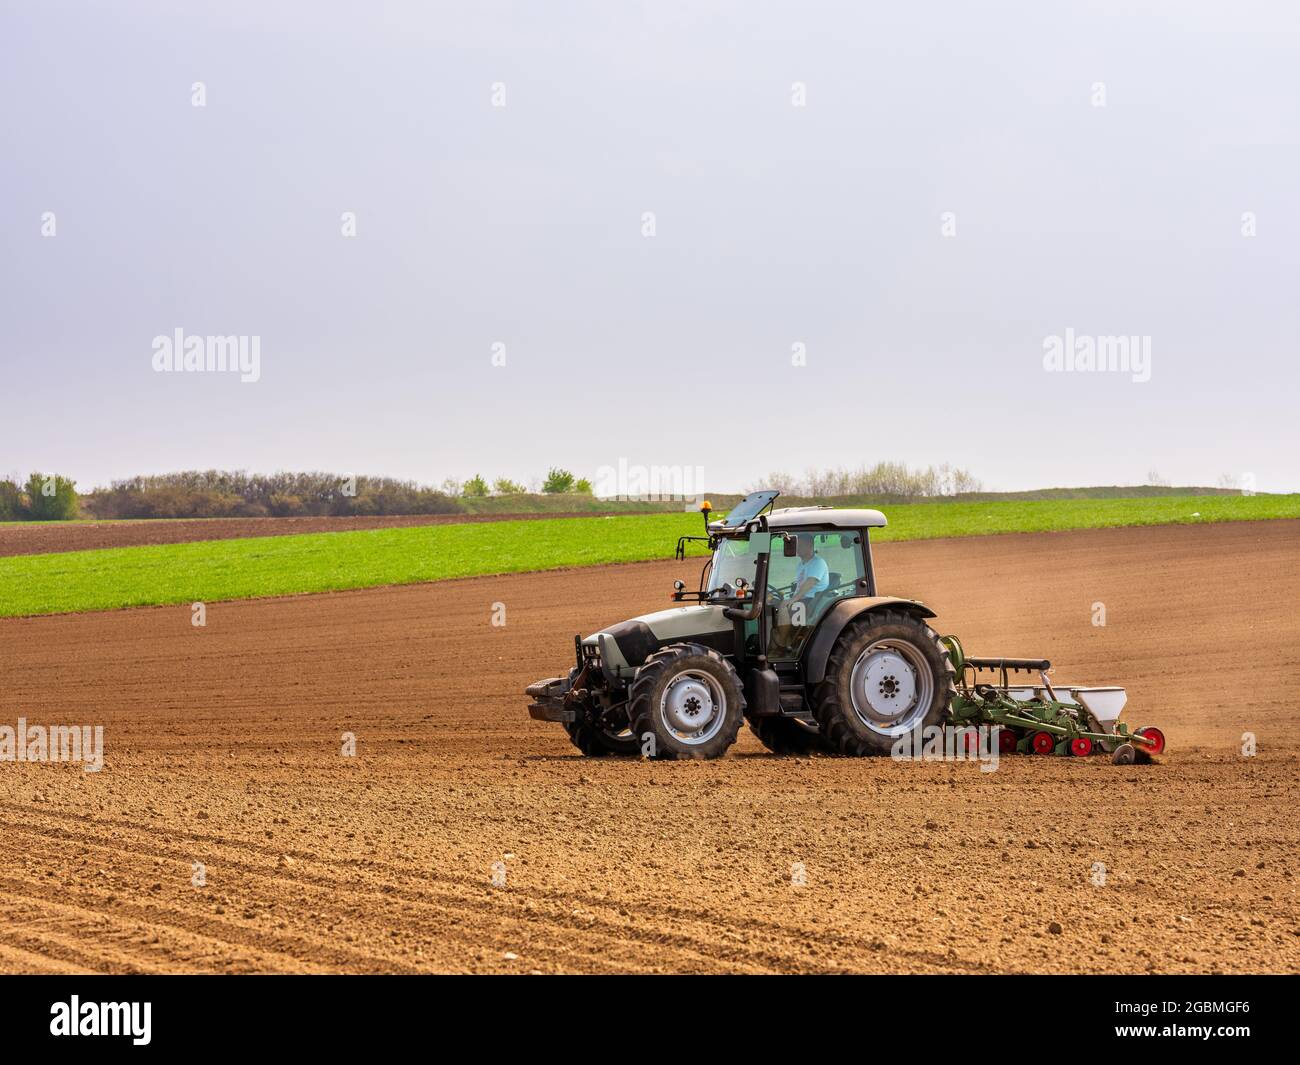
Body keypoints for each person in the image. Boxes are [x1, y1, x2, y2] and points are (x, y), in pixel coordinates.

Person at [771, 535, 828, 654]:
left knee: (784, 607)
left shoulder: (818, 563)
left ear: (810, 546)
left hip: (811, 599)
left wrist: (793, 599)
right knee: (772, 604)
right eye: (796, 545)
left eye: (800, 545)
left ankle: (782, 643)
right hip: (802, 597)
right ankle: (781, 637)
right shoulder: (801, 564)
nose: (797, 548)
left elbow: (809, 583)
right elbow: (799, 585)